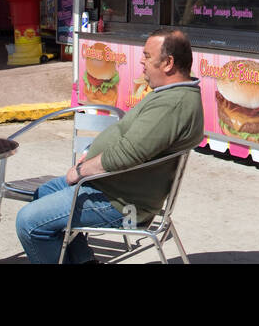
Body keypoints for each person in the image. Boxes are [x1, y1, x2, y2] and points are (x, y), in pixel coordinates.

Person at [16, 27, 203, 264]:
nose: (141, 61)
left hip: (121, 203)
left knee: (29, 223)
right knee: (42, 193)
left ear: (168, 63)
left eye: (147, 56)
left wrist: (82, 170)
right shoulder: (171, 95)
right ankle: (84, 261)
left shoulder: (173, 105)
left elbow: (128, 154)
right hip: (109, 187)